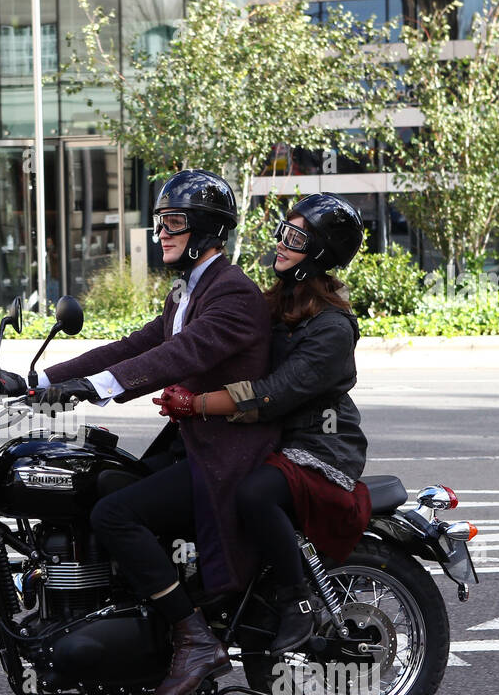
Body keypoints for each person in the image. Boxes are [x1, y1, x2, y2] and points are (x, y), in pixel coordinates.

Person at [35, 169, 280, 695]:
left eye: (173, 223)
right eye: (161, 223)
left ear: (206, 231)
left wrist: (93, 388)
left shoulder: (233, 294)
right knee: (98, 485)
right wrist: (43, 380)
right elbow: (135, 344)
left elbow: (178, 356)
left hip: (226, 457)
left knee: (114, 514)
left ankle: (194, 639)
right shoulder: (189, 290)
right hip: (193, 443)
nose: (162, 234)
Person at [156, 193, 371, 655]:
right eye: (282, 232)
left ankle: (298, 603)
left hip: (319, 446)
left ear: (320, 250)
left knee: (253, 493)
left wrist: (198, 404)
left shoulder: (332, 327)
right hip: (271, 436)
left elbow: (274, 393)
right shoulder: (274, 304)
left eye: (295, 237)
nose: (281, 243)